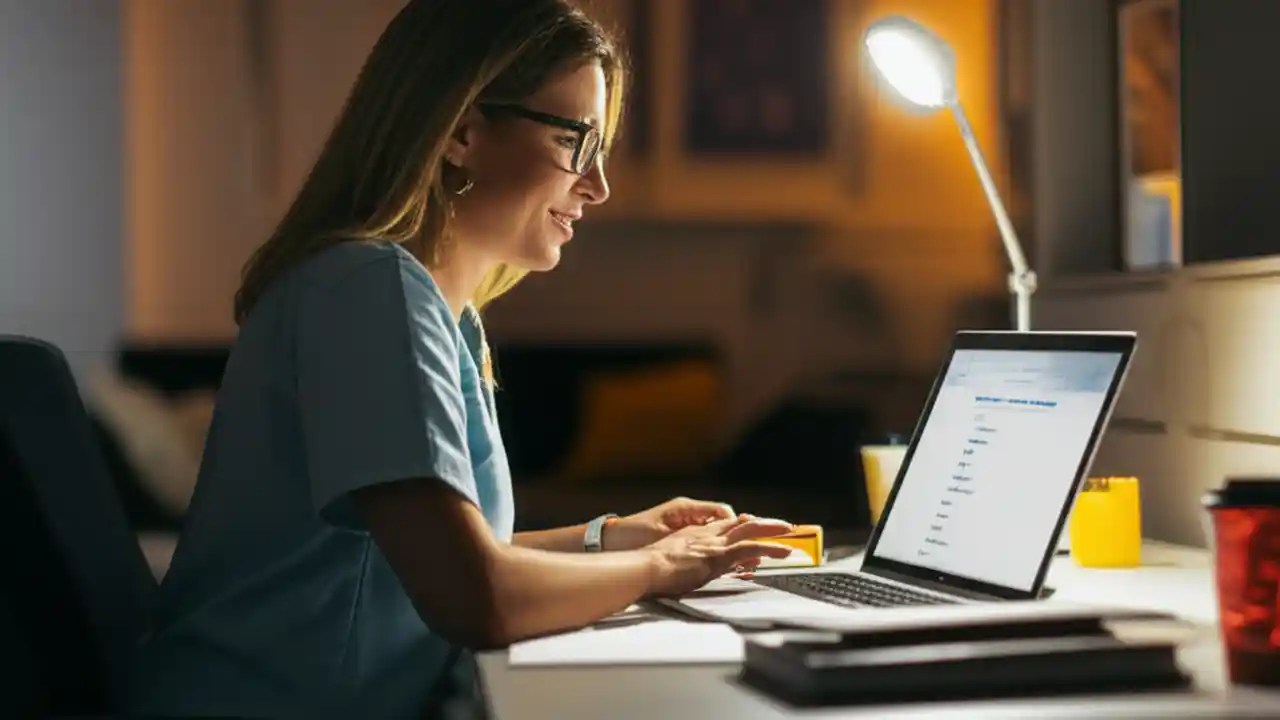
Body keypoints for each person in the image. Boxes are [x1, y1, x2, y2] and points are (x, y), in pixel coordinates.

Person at [127, 1, 794, 717]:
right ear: (464, 131)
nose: (596, 184)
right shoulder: (368, 291)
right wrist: (659, 567)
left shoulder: (426, 308)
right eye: (578, 141)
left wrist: (612, 538)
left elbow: (438, 557)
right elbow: (478, 598)